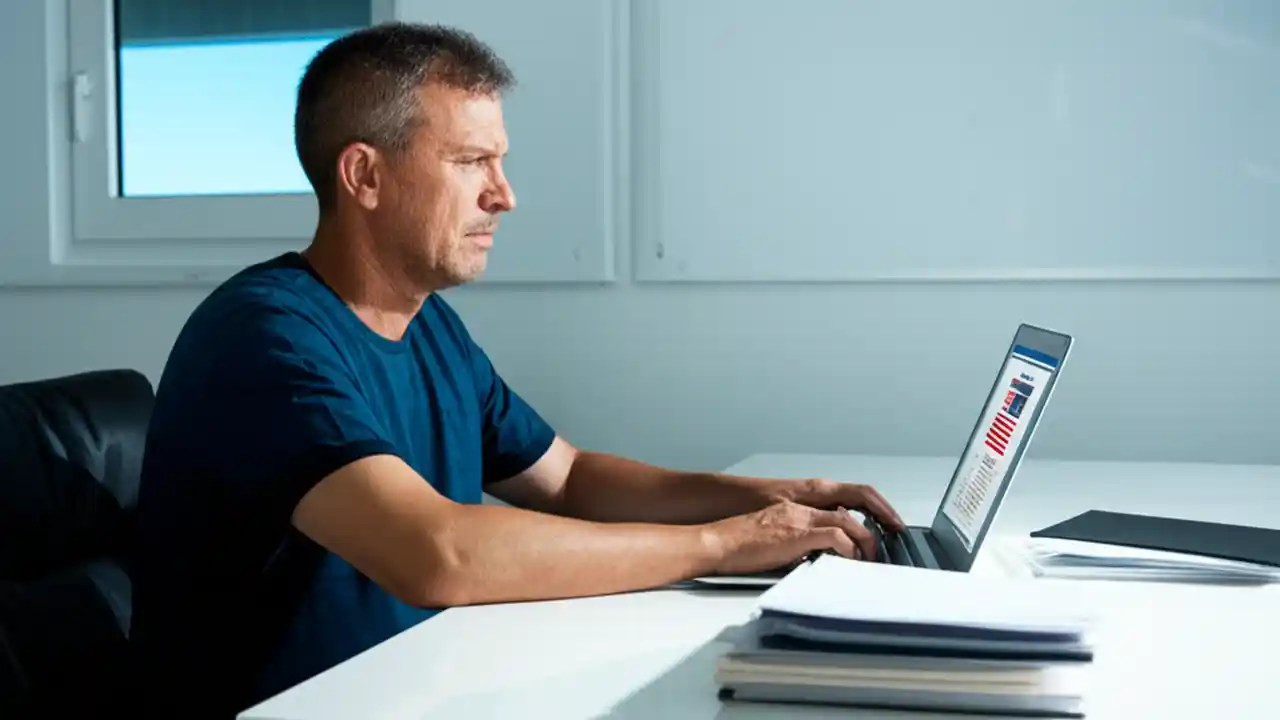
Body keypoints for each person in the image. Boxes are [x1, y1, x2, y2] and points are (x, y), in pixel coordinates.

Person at [131, 21, 905, 717]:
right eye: (472, 162)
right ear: (363, 177)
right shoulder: (265, 339)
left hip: (414, 689)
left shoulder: (431, 327)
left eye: (499, 162)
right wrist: (723, 547)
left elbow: (568, 480)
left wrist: (778, 500)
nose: (504, 195)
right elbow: (436, 553)